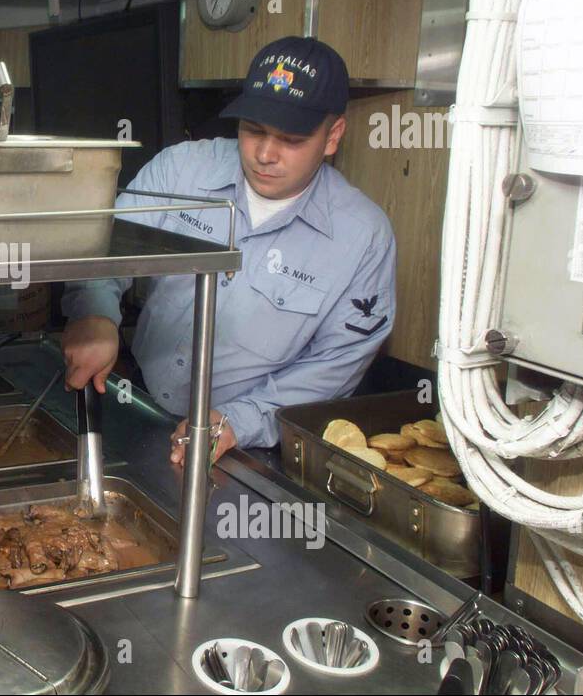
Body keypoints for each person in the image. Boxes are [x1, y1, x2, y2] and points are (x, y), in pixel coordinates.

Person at [61, 36, 396, 468]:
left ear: (332, 136)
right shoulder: (182, 170)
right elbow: (103, 248)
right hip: (137, 399)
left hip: (247, 444)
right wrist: (95, 314)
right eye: (254, 129)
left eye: (291, 139)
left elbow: (337, 363)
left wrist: (240, 421)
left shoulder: (363, 237)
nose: (264, 154)